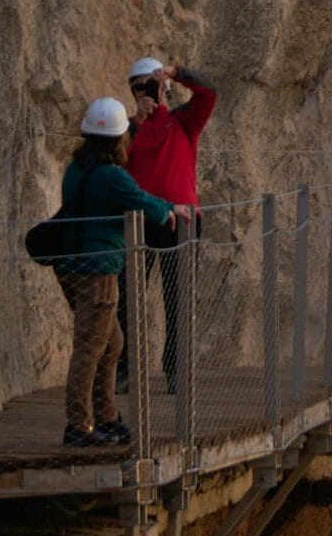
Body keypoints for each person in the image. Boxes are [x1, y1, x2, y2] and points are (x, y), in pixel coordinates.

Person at [55, 99, 188, 448]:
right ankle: (79, 426)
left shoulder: (76, 169)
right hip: (99, 272)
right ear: (117, 140)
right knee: (90, 347)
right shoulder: (110, 175)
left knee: (111, 343)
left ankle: (107, 417)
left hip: (72, 267)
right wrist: (169, 210)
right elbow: (141, 198)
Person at [123, 55, 217, 391]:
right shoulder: (128, 128)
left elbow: (209, 92)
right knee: (127, 298)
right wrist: (138, 119)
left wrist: (177, 73)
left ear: (163, 87)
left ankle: (175, 371)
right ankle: (124, 370)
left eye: (150, 84)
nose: (144, 90)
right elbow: (115, 157)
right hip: (140, 222)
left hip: (183, 223)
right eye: (138, 86)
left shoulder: (182, 121)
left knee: (178, 300)